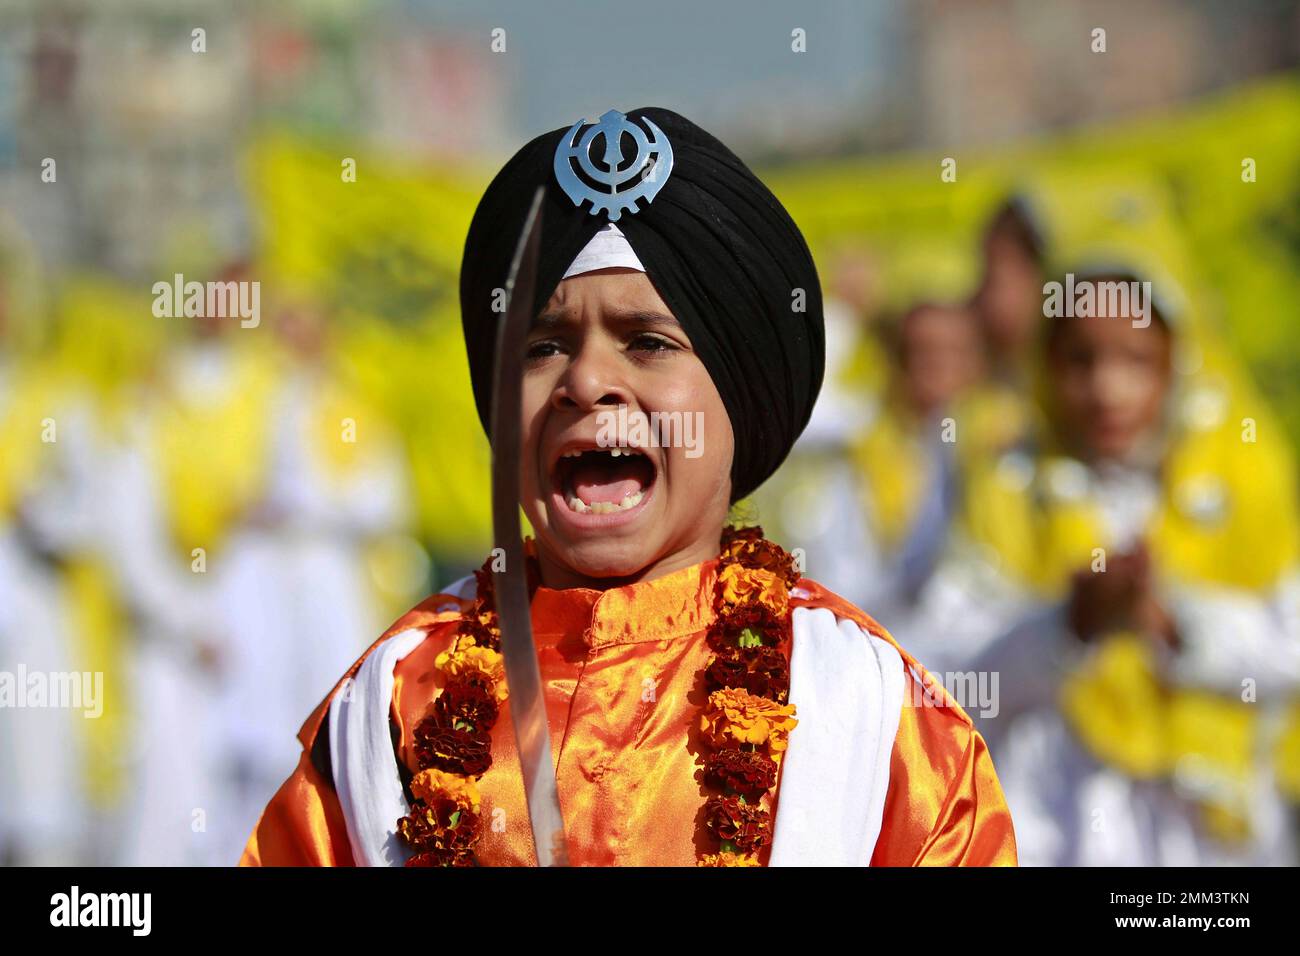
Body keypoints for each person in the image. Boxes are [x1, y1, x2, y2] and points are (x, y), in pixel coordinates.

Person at [240, 107, 1017, 867]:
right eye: (544, 346)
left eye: (647, 342)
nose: (587, 381)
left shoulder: (870, 710)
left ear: (740, 398)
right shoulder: (392, 704)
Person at [964, 264, 1300, 865]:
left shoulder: (1241, 481)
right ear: (1047, 364)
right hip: (1057, 823)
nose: (1106, 389)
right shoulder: (1005, 488)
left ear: (1177, 365)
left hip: (1211, 838)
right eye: (1081, 360)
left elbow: (1289, 648)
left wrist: (1170, 622)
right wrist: (1070, 626)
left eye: (1136, 360)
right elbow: (951, 681)